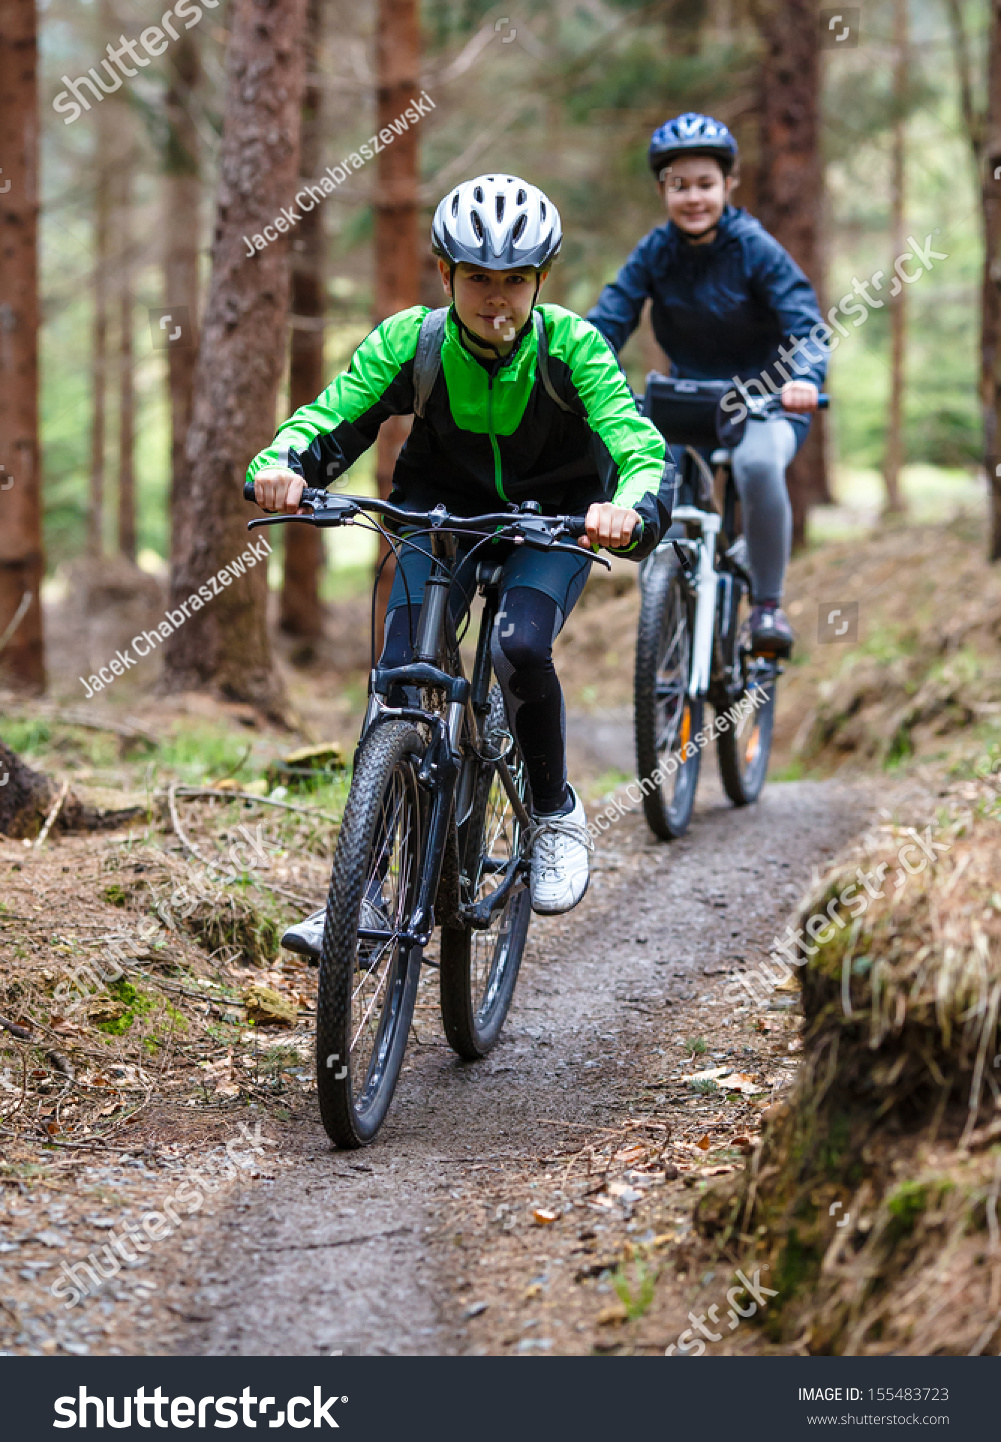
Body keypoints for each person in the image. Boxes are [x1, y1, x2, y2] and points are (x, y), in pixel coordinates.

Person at [247, 174, 674, 952]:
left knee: (515, 648)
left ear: (539, 281)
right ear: (445, 276)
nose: (496, 297)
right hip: (433, 517)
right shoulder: (411, 342)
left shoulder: (571, 347)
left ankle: (552, 815)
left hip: (550, 523)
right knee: (400, 680)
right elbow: (333, 414)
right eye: (478, 277)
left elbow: (636, 444)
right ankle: (366, 892)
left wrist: (630, 509)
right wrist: (284, 464)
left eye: (515, 279)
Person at [587, 112, 828, 654]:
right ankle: (669, 621)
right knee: (654, 475)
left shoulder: (755, 248)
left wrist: (805, 380)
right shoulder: (655, 252)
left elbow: (806, 326)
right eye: (679, 185)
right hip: (689, 403)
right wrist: (572, 369)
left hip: (766, 400)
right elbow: (607, 321)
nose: (693, 197)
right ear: (662, 190)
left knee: (758, 464)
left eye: (705, 184)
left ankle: (766, 608)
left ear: (728, 185)